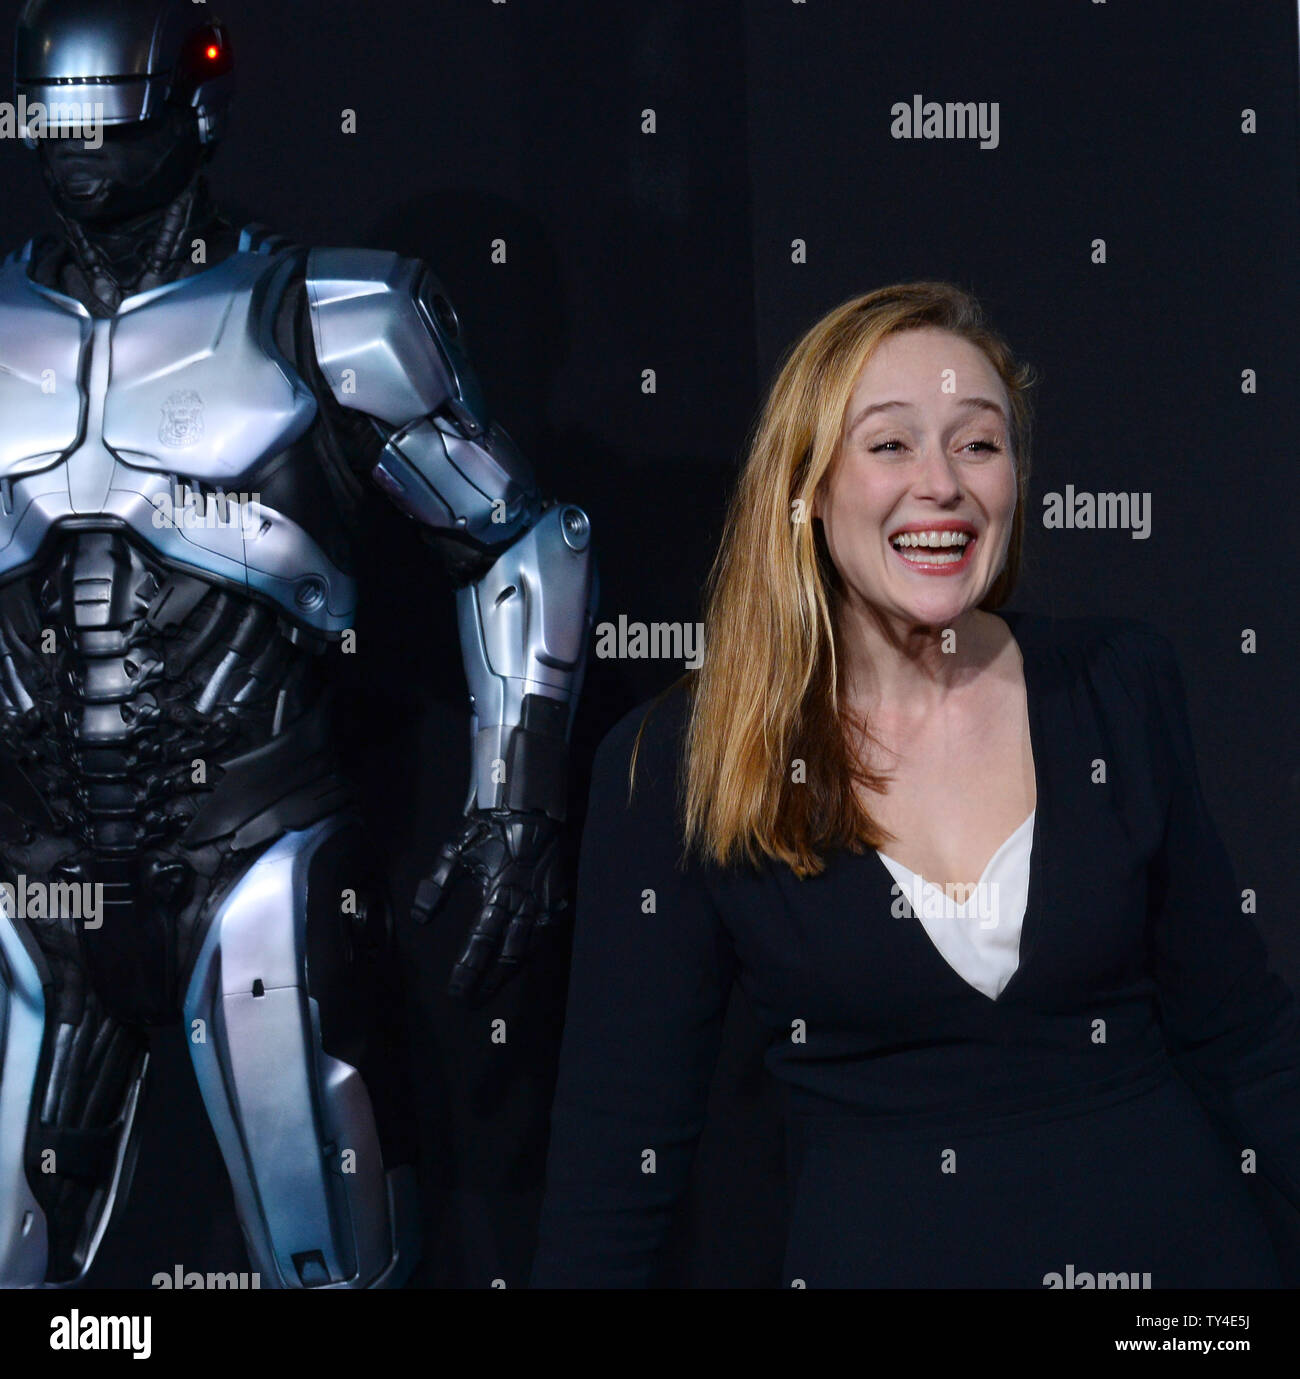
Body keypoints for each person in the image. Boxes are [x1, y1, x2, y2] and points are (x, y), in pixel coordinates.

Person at [529, 281, 1300, 1287]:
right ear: (802, 488)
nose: (941, 483)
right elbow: (616, 1161)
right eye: (888, 444)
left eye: (977, 443)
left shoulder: (1116, 681)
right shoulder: (682, 758)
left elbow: (1244, 1042)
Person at [0, 0, 594, 1287]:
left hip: (257, 853)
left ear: (195, 112)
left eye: (115, 120)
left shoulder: (335, 316)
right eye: (60, 123)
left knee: (328, 1261)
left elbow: (518, 542)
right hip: (34, 878)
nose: (82, 151)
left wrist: (518, 802)